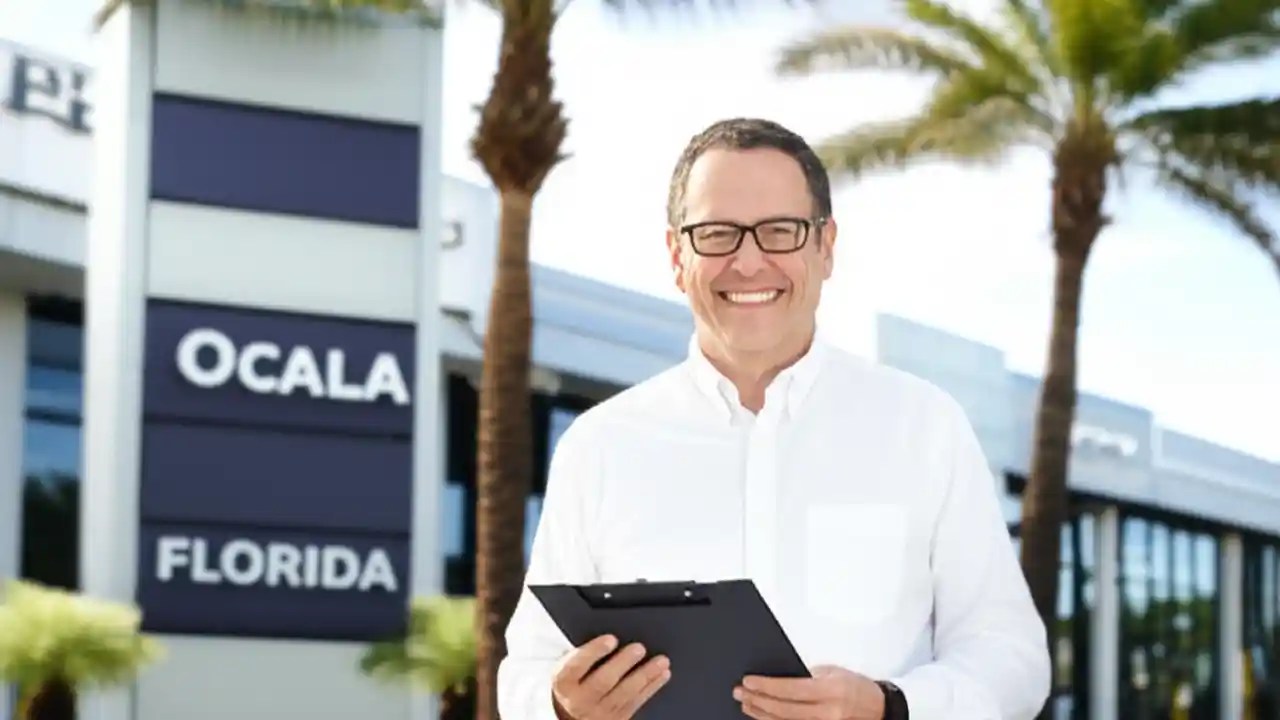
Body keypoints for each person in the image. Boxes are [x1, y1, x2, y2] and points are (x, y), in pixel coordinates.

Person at [497, 117, 1051, 720]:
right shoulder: (599, 447)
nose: (750, 261)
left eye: (780, 231)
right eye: (716, 234)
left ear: (825, 246)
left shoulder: (926, 426)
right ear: (676, 256)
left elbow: (1012, 657)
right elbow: (525, 671)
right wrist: (559, 704)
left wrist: (890, 708)